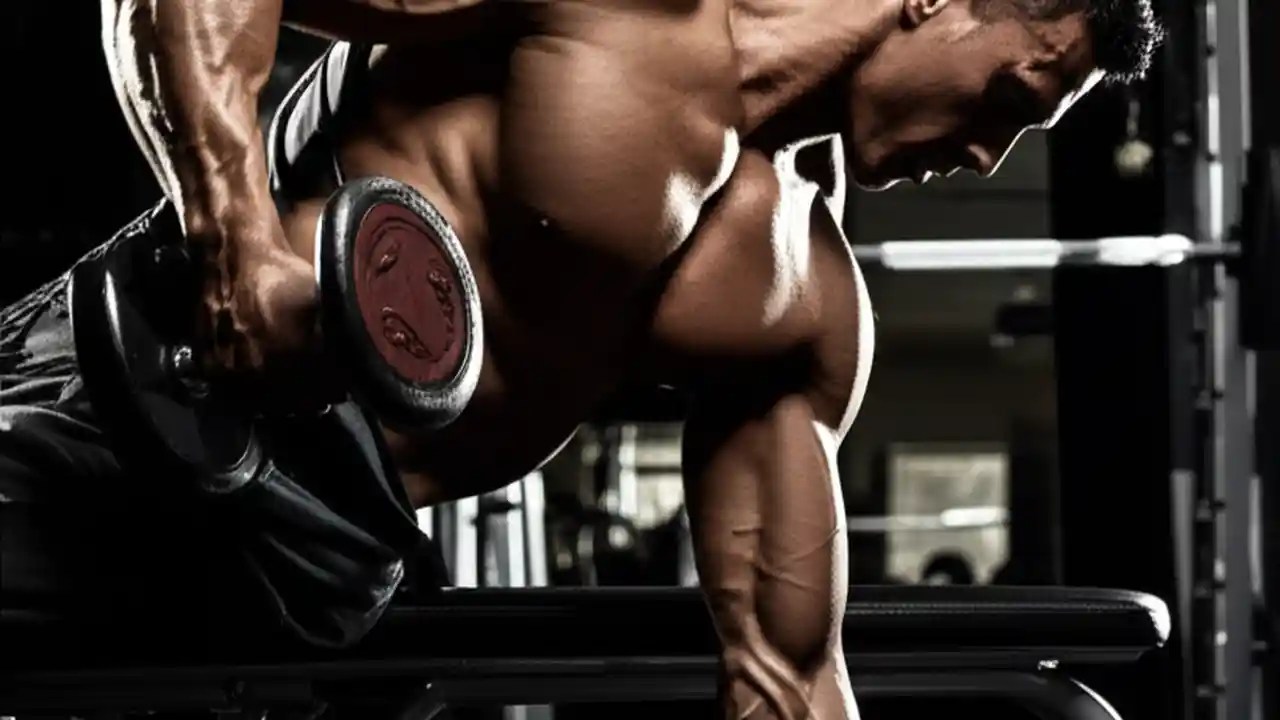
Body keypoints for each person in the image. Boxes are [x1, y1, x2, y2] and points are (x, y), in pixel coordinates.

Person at [0, 0, 1162, 716]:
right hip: (148, 406)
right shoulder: (616, 10)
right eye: (1012, 93)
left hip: (320, 572)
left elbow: (784, 677)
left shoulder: (803, 300)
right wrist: (235, 242)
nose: (983, 153)